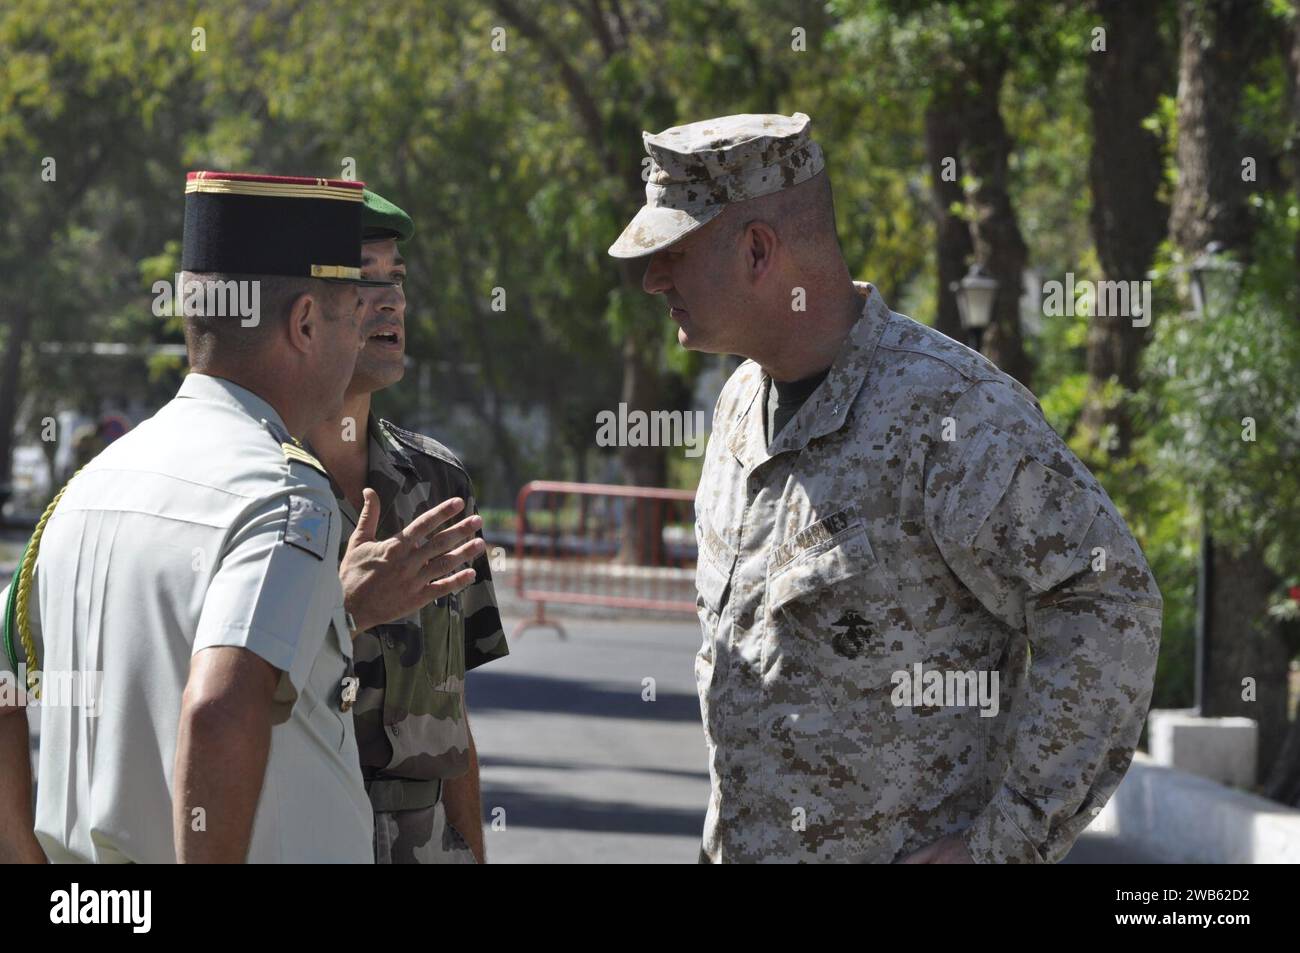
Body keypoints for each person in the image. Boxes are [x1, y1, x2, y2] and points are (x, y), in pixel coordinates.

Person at [609, 113, 1163, 864]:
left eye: (673, 251)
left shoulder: (952, 414)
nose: (653, 278)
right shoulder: (741, 406)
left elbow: (1108, 602)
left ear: (758, 250)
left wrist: (1001, 845)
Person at [0, 171, 479, 863]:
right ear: (307, 322)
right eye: (351, 311)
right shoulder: (281, 493)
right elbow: (219, 709)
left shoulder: (86, 488)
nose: (360, 339)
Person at [307, 189, 508, 864]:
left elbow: (455, 727)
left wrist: (473, 852)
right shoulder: (245, 485)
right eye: (366, 279)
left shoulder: (439, 485)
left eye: (396, 280)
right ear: (302, 310)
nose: (390, 301)